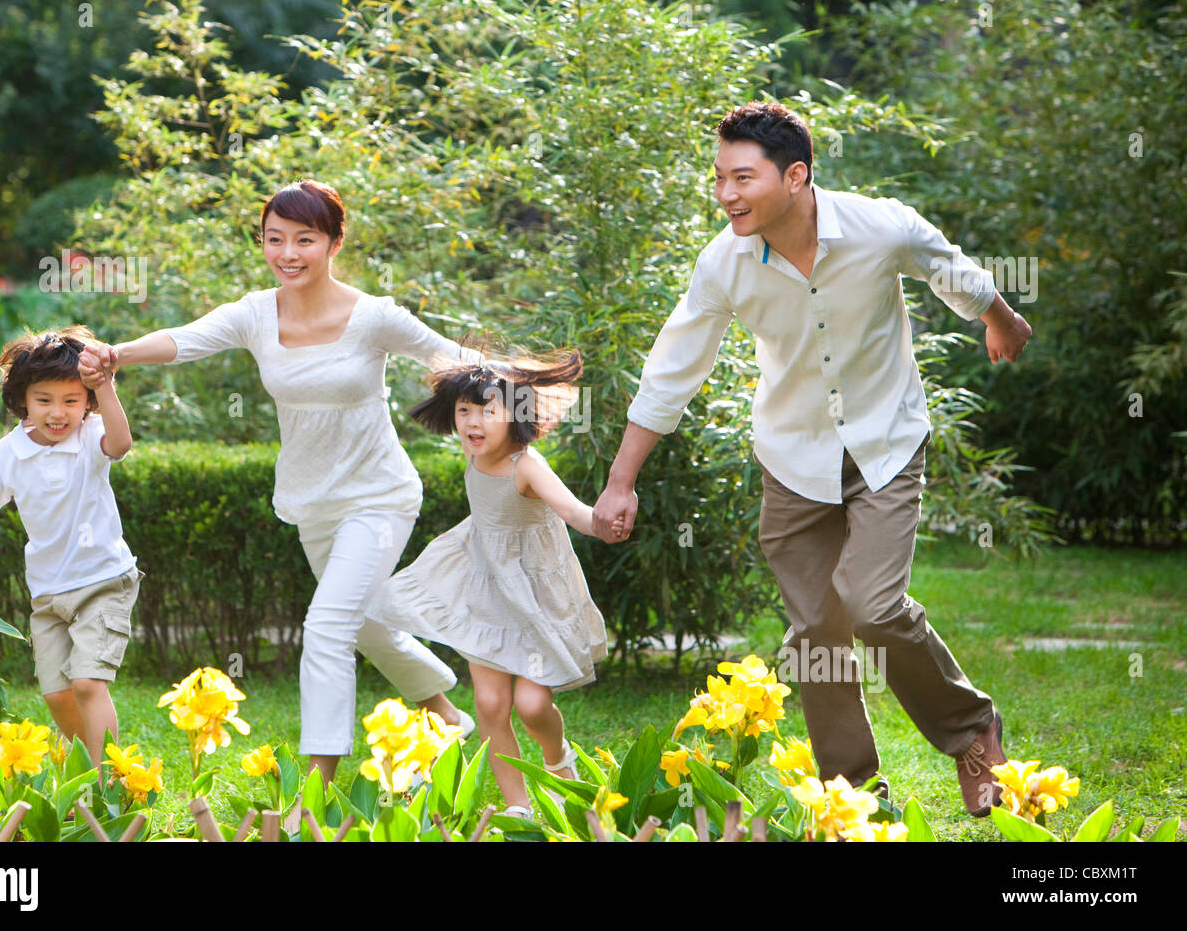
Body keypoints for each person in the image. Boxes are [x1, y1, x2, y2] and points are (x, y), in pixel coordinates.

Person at [591, 101, 1033, 817]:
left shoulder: (877, 225)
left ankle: (972, 732)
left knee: (872, 604)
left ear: (795, 176)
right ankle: (853, 797)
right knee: (815, 634)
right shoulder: (723, 264)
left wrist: (1002, 318)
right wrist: (621, 480)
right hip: (794, 459)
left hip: (885, 443)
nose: (726, 194)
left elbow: (948, 270)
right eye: (719, 178)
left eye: (742, 177)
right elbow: (674, 369)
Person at [77, 179, 474, 786]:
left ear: (336, 242)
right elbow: (186, 339)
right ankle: (445, 715)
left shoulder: (375, 318)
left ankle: (315, 785)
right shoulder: (256, 313)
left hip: (380, 496)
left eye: (304, 240)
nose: (287, 253)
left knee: (326, 628)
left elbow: (453, 359)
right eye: (274, 239)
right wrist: (116, 353)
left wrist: (515, 398)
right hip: (312, 501)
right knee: (362, 621)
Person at [364, 350, 611, 817]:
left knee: (534, 706)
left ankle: (558, 762)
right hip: (484, 586)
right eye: (464, 411)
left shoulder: (526, 466)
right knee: (491, 704)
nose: (473, 422)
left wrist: (602, 522)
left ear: (514, 415)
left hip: (534, 593)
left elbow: (574, 510)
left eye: (487, 411)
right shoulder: (473, 450)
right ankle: (518, 807)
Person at [0, 325, 140, 767]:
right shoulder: (6, 455)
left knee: (87, 684)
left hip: (103, 581)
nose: (58, 413)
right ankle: (90, 767)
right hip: (48, 592)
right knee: (58, 695)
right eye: (45, 400)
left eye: (72, 401)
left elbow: (121, 443)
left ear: (87, 403)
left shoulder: (90, 436)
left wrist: (106, 387)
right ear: (23, 400)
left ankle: (107, 784)